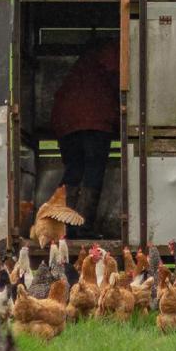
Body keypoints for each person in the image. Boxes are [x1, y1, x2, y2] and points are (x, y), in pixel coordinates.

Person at [48, 40, 119, 234]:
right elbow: (118, 82)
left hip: (65, 119)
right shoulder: (112, 51)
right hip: (94, 119)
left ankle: (61, 225)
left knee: (73, 169)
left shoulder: (84, 64)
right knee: (94, 169)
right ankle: (83, 227)